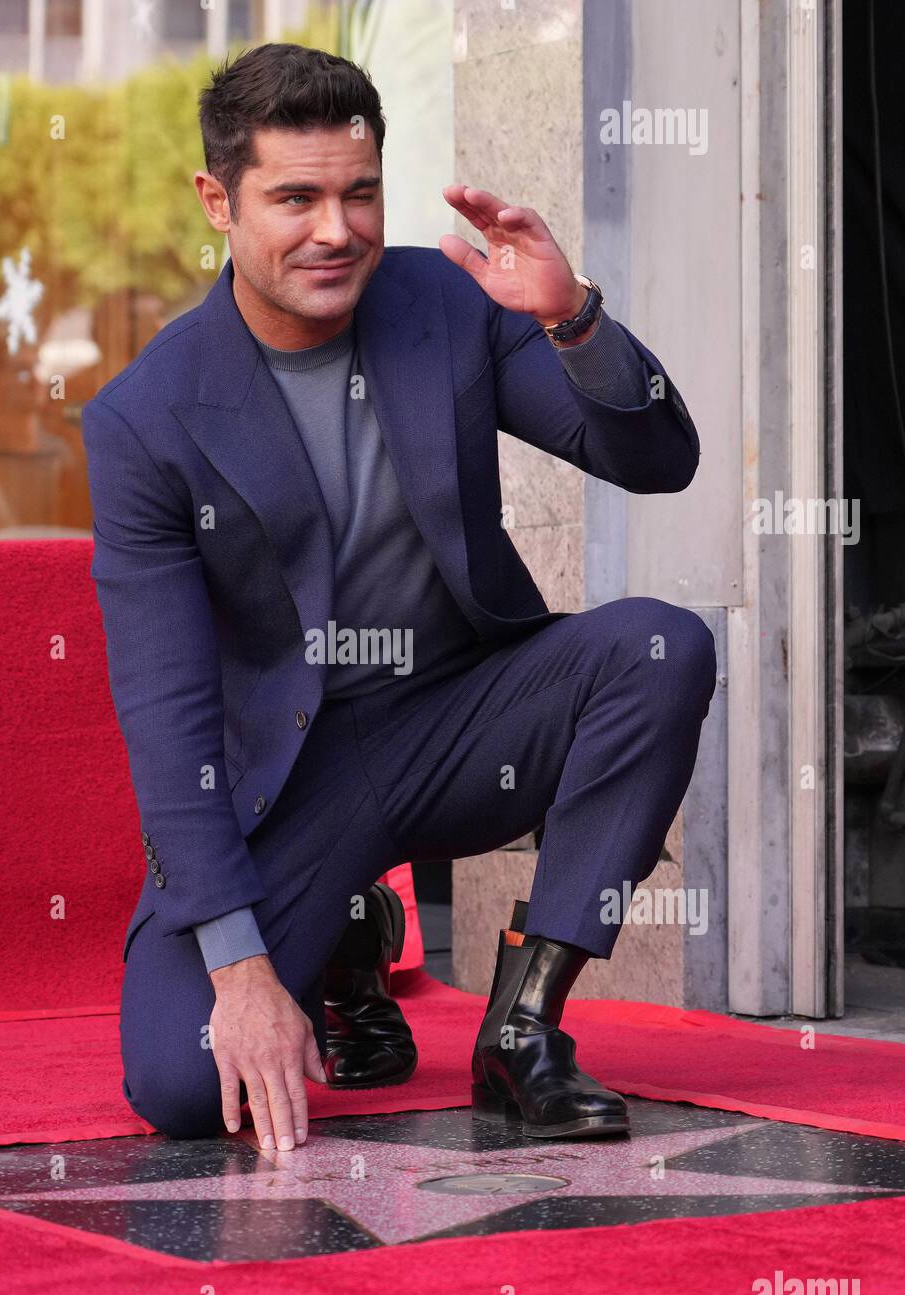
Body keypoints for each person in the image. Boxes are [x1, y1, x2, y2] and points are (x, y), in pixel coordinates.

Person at [82, 42, 716, 1154]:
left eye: (358, 192)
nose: (336, 229)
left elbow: (658, 458)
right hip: (296, 776)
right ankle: (345, 933)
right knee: (184, 1090)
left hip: (465, 716)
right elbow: (165, 713)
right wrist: (238, 971)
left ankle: (521, 1030)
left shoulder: (438, 301)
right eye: (295, 197)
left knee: (657, 648)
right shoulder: (146, 419)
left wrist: (571, 317)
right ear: (216, 202)